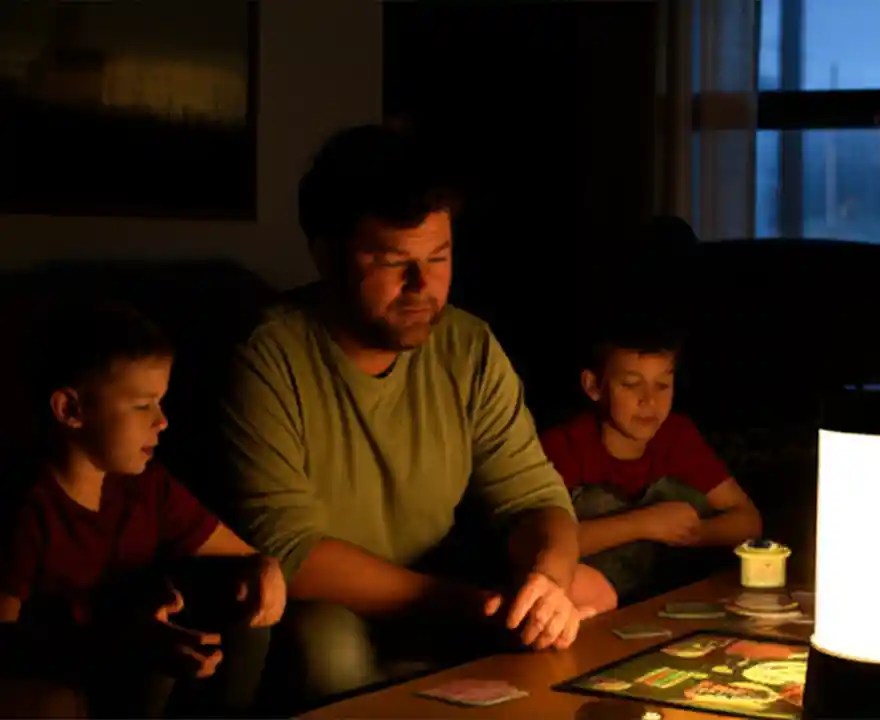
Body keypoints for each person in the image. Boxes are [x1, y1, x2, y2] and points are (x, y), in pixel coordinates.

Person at [219, 124, 614, 707]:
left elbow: (536, 499)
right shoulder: (269, 355)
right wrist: (457, 600)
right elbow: (290, 549)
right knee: (327, 643)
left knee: (581, 594)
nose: (422, 285)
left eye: (438, 257)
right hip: (326, 603)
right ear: (327, 255)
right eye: (392, 262)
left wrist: (545, 582)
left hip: (444, 578)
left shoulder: (468, 345)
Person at [0, 298, 285, 718]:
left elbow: (242, 554)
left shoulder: (148, 488)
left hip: (133, 663)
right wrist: (127, 638)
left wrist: (264, 568)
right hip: (62, 673)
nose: (163, 421)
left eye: (161, 402)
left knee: (242, 606)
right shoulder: (29, 511)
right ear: (70, 410)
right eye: (142, 406)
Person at [540, 315, 763, 602]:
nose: (649, 400)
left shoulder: (677, 437)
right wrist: (643, 524)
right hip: (583, 605)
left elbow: (748, 521)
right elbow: (541, 544)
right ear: (594, 386)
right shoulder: (565, 446)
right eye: (632, 384)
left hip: (664, 601)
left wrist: (692, 531)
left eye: (662, 385)